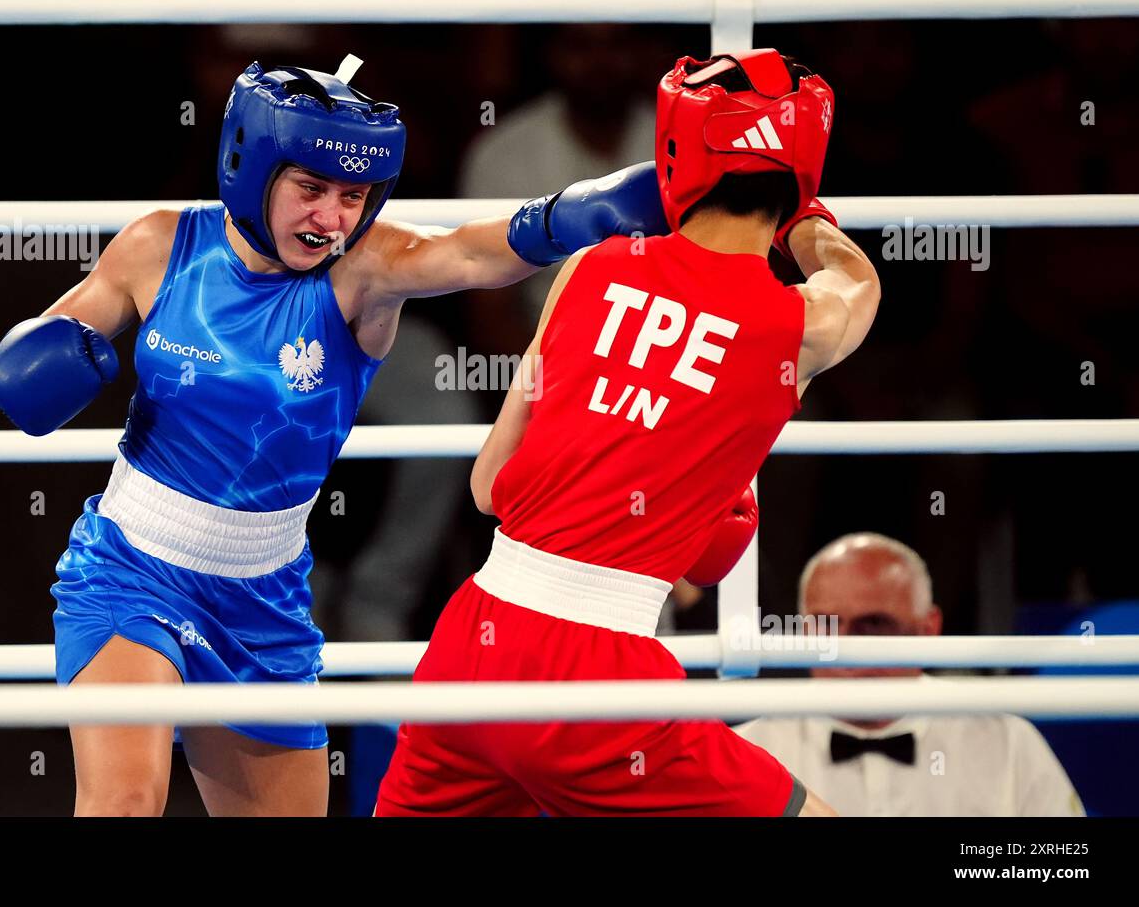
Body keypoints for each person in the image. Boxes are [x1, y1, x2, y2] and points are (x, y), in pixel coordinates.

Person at [0, 57, 665, 816]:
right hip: (132, 570)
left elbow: (471, 251)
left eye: (352, 196)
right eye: (311, 189)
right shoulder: (159, 246)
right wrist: (46, 355)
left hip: (262, 600)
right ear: (252, 167)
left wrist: (575, 216)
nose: (331, 217)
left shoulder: (362, 275)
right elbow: (48, 342)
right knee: (126, 803)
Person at [376, 49, 881, 816]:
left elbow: (487, 486)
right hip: (599, 679)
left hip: (470, 646)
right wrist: (809, 221)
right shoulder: (801, 324)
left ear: (678, 150)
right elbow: (856, 281)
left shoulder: (590, 267)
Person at [735, 533, 1084, 816]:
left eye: (872, 625)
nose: (845, 648)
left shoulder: (1007, 743)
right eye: (826, 626)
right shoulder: (748, 752)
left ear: (927, 628)